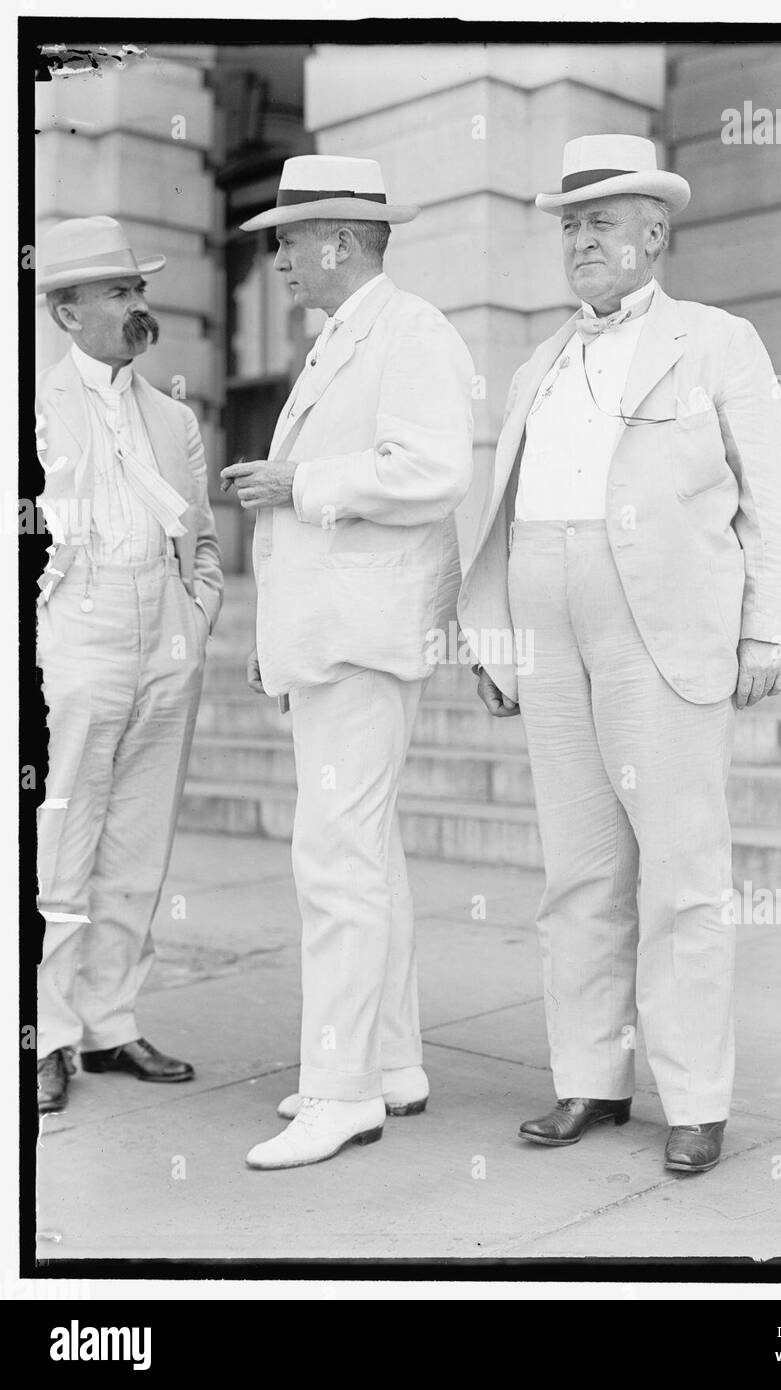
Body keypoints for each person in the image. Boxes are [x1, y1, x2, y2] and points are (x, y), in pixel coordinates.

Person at [458, 134, 781, 1173]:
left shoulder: (717, 341)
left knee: (684, 870)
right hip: (549, 622)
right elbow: (510, 509)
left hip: (664, 624)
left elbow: (768, 497)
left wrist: (767, 625)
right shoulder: (540, 362)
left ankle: (695, 1097)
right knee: (579, 870)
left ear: (655, 232)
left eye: (601, 221)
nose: (581, 240)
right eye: (570, 224)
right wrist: (496, 636)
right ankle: (591, 1080)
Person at [227, 156, 474, 1170]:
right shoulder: (354, 339)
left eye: (287, 239)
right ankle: (392, 1061)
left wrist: (297, 480)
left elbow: (433, 470)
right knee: (363, 852)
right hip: (336, 637)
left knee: (334, 859)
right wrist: (272, 635)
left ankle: (341, 1092)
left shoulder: (407, 332)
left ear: (338, 240)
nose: (279, 259)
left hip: (363, 641)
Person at [35, 216, 223, 1114]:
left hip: (165, 631)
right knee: (61, 837)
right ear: (69, 314)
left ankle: (109, 1022)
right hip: (76, 627)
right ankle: (45, 1030)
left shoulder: (174, 417)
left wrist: (197, 616)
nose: (138, 305)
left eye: (139, 288)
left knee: (139, 839)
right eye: (118, 292)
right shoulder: (30, 406)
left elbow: (209, 540)